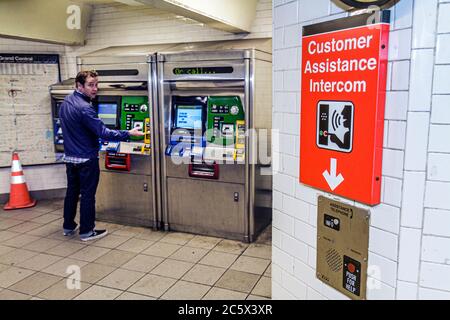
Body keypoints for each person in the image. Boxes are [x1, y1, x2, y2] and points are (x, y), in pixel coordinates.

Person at [59, 70, 144, 241]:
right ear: (79, 85)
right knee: (88, 195)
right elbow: (104, 133)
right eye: (91, 85)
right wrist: (129, 133)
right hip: (86, 159)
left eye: (97, 84)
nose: (95, 88)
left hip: (70, 158)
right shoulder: (85, 108)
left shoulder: (66, 102)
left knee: (72, 192)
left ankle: (68, 226)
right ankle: (87, 231)